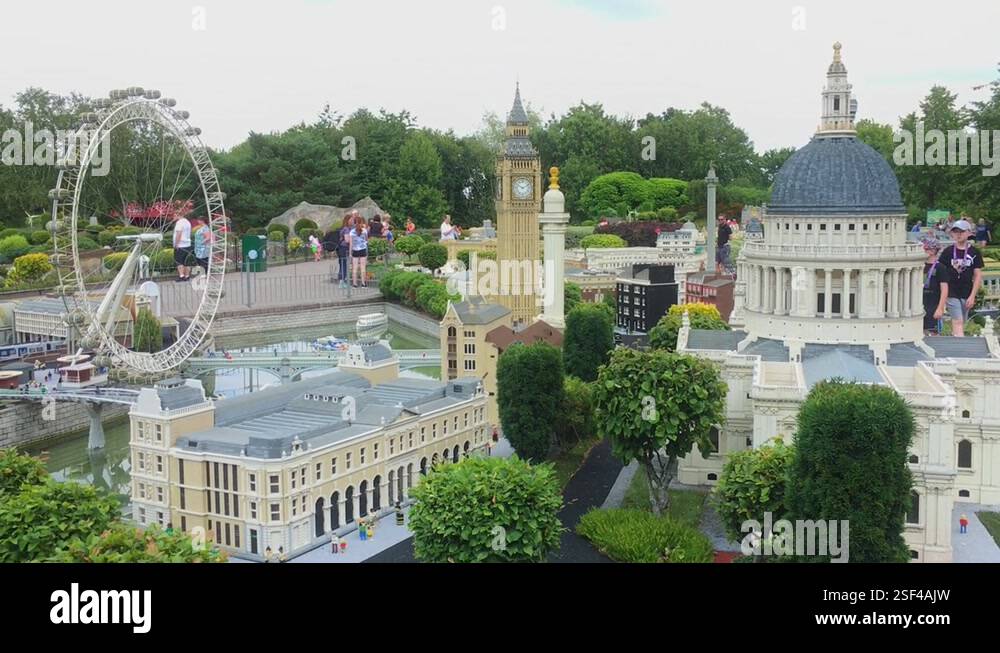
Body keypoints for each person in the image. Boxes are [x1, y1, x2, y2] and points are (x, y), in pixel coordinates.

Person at [940, 220, 984, 337]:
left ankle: (956, 338)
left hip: (967, 291)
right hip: (951, 290)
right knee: (957, 320)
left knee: (961, 321)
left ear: (968, 233)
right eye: (955, 232)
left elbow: (978, 275)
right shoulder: (947, 251)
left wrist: (973, 295)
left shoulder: (975, 252)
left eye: (961, 232)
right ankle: (960, 343)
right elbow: (940, 272)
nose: (958, 234)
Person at [921, 238, 949, 335]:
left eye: (925, 249)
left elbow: (944, 289)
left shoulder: (940, 267)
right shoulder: (919, 266)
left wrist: (940, 308)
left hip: (933, 304)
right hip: (920, 303)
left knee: (933, 332)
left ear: (933, 251)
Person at [173, 212, 193, 281]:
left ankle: (181, 276)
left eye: (174, 215)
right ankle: (187, 276)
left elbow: (179, 233)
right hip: (188, 244)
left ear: (177, 215)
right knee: (186, 261)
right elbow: (190, 233)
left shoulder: (179, 223)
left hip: (181, 245)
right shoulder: (188, 222)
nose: (173, 217)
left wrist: (176, 244)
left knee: (179, 261)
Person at [350, 217, 369, 288]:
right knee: (363, 267)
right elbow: (366, 241)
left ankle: (355, 284)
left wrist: (350, 253)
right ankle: (363, 284)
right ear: (361, 222)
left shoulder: (352, 232)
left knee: (354, 268)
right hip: (363, 249)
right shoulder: (364, 231)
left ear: (354, 223)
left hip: (355, 250)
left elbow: (351, 244)